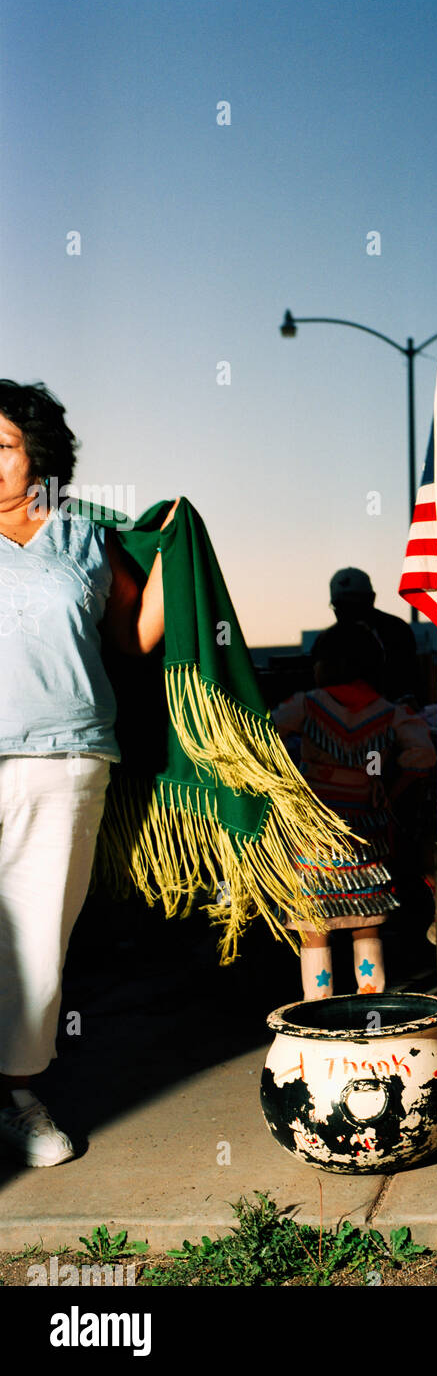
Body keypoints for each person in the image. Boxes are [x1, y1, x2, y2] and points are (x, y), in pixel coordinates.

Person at [0, 381, 175, 1166]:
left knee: (37, 940)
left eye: (1, 445)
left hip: (65, 760)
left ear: (39, 453)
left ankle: (18, 1095)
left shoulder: (86, 537)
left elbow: (133, 640)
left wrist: (181, 558)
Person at [272, 623, 436, 999]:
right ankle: (371, 999)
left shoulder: (308, 705)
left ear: (325, 665)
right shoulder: (388, 712)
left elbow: (268, 733)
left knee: (314, 921)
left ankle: (318, 1005)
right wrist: (382, 784)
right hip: (365, 826)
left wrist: (292, 780)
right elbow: (417, 757)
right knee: (366, 918)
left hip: (315, 827)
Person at [313, 567, 422, 706]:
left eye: (353, 604)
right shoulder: (326, 640)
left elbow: (409, 683)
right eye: (340, 606)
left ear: (371, 599)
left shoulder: (395, 631)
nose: (346, 612)